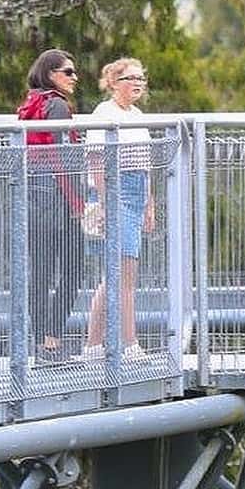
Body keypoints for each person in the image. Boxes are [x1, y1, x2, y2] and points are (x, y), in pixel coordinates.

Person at [82, 58, 155, 361]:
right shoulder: (104, 113)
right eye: (129, 78)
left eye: (141, 78)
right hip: (115, 191)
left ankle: (93, 346)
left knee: (116, 276)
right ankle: (129, 344)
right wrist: (104, 201)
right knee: (124, 274)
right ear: (113, 82)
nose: (137, 83)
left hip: (137, 191)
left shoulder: (137, 114)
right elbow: (96, 160)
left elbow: (145, 163)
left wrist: (150, 202)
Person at [17, 48, 85, 363]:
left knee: (41, 274)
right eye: (68, 72)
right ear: (51, 75)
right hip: (58, 202)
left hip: (34, 199)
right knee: (72, 271)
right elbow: (62, 160)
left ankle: (40, 343)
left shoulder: (31, 105)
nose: (75, 77)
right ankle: (52, 340)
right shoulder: (57, 106)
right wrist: (78, 204)